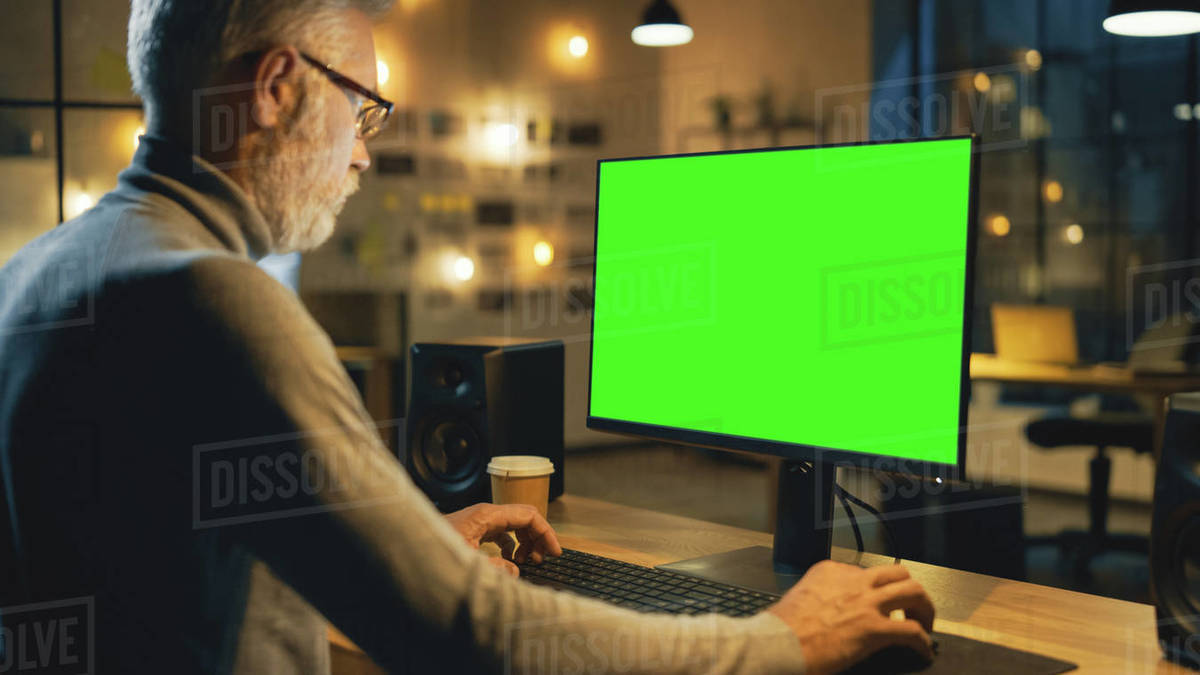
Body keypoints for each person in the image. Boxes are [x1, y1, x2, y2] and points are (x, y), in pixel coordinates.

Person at [0, 1, 936, 672]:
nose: (365, 149)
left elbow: (145, 552)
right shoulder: (216, 303)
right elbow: (469, 638)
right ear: (279, 88)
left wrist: (401, 536)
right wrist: (785, 640)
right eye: (362, 107)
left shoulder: (39, 276)